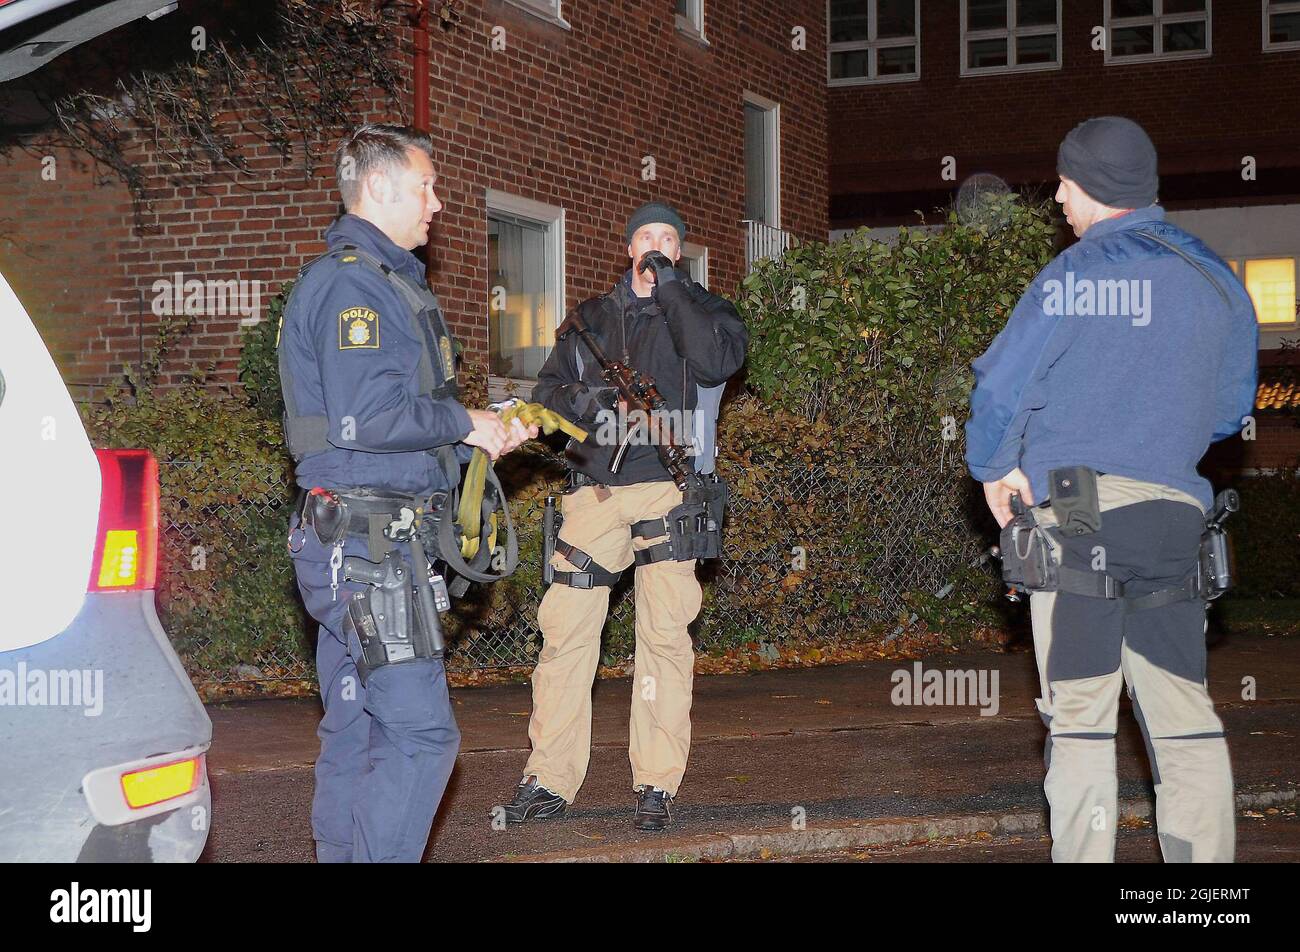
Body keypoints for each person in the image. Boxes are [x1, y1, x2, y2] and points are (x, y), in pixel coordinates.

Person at [966, 116, 1258, 862]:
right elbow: (1229, 412)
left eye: (1065, 180)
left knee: (1083, 720)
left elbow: (1002, 386)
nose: (1058, 195)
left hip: (1078, 507)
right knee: (1184, 719)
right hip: (1175, 516)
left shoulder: (1077, 274)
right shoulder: (1216, 280)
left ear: (1093, 185)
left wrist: (994, 468)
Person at [278, 123, 536, 862]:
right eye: (426, 185)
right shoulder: (356, 285)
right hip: (368, 547)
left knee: (357, 728)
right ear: (380, 186)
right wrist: (466, 420)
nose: (439, 203)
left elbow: (374, 420)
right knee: (422, 736)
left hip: (353, 539)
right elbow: (368, 418)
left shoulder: (377, 278)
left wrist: (472, 435)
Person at [499, 202, 748, 831]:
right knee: (563, 636)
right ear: (627, 245)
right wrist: (590, 400)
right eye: (646, 237)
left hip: (671, 492)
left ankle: (656, 784)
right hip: (596, 495)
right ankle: (549, 779)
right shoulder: (590, 319)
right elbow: (548, 390)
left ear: (679, 250)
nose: (656, 246)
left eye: (668, 239)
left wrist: (675, 291)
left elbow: (717, 362)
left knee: (663, 639)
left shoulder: (707, 311)